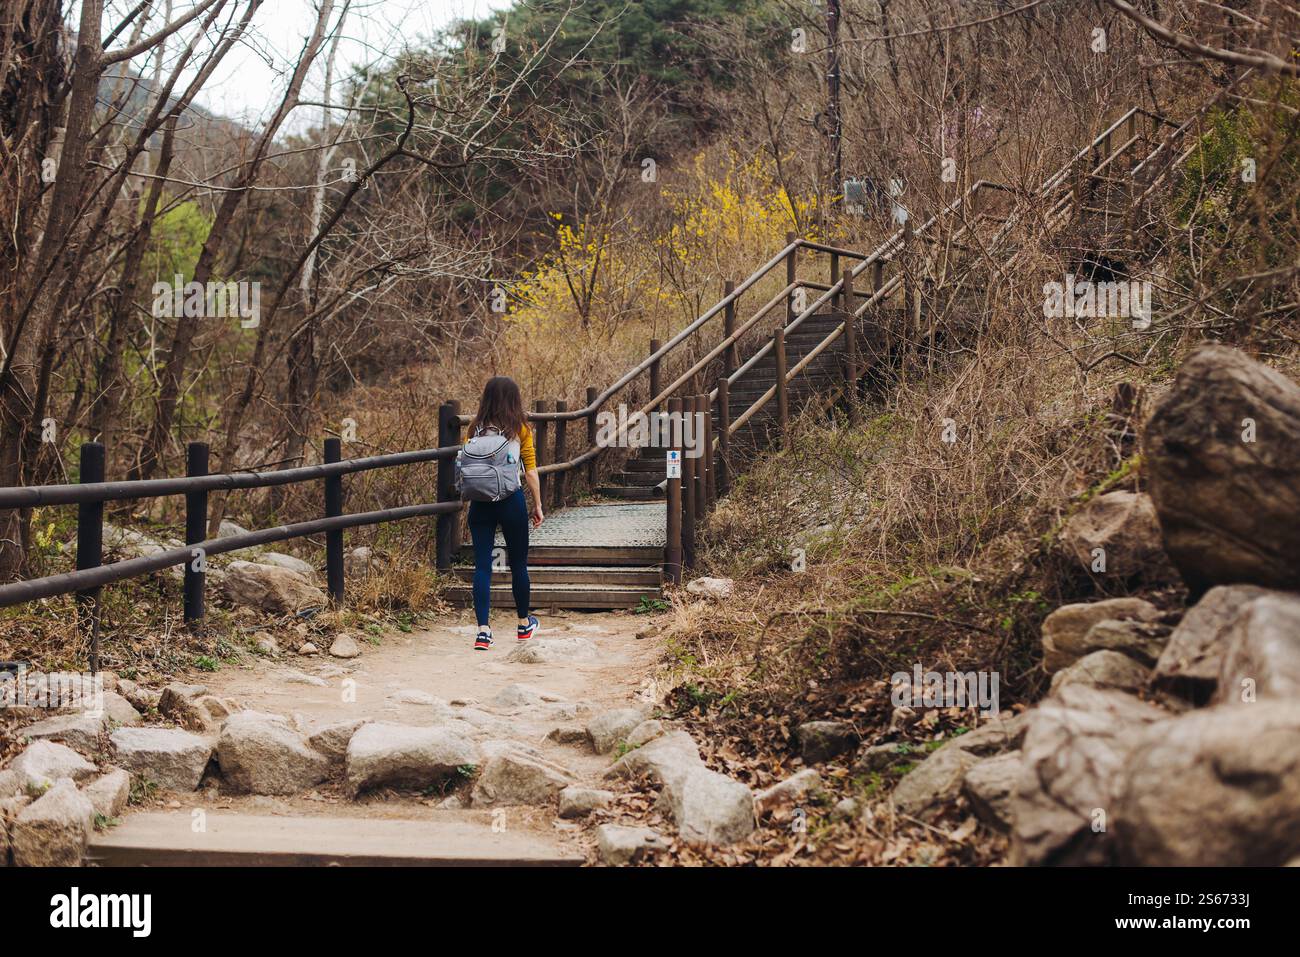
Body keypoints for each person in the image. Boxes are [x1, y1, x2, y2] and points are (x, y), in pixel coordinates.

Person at [464, 376, 544, 650]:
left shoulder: (475, 428)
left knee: (483, 566)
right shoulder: (519, 428)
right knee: (519, 564)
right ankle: (523, 624)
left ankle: (483, 632)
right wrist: (538, 505)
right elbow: (530, 470)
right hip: (511, 501)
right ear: (514, 398)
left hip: (479, 503)